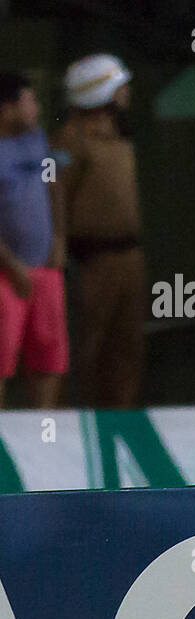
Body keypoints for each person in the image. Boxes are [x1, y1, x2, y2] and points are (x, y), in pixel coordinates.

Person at [53, 53, 145, 408]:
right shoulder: (70, 140)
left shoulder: (120, 134)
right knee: (91, 344)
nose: (126, 92)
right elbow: (57, 194)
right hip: (93, 258)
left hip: (130, 256)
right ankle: (84, 418)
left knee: (128, 345)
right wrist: (60, 243)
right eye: (120, 85)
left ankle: (122, 415)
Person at [0, 71, 65, 409]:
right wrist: (11, 266)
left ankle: (46, 439)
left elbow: (53, 186)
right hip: (5, 275)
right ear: (8, 108)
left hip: (45, 270)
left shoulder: (38, 141)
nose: (37, 108)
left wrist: (59, 237)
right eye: (30, 101)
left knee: (48, 360)